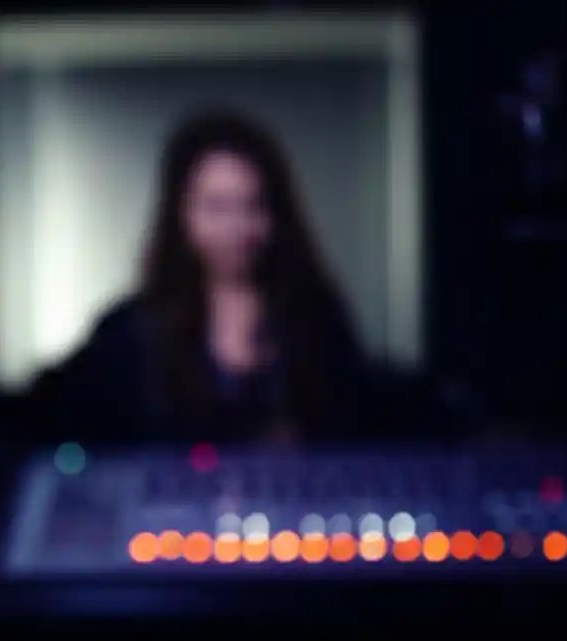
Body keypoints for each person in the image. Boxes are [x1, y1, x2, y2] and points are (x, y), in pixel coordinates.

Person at [31, 111, 368, 444]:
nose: (237, 228)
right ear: (179, 214)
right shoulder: (130, 331)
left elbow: (355, 434)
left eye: (254, 205)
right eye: (216, 207)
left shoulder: (317, 320)